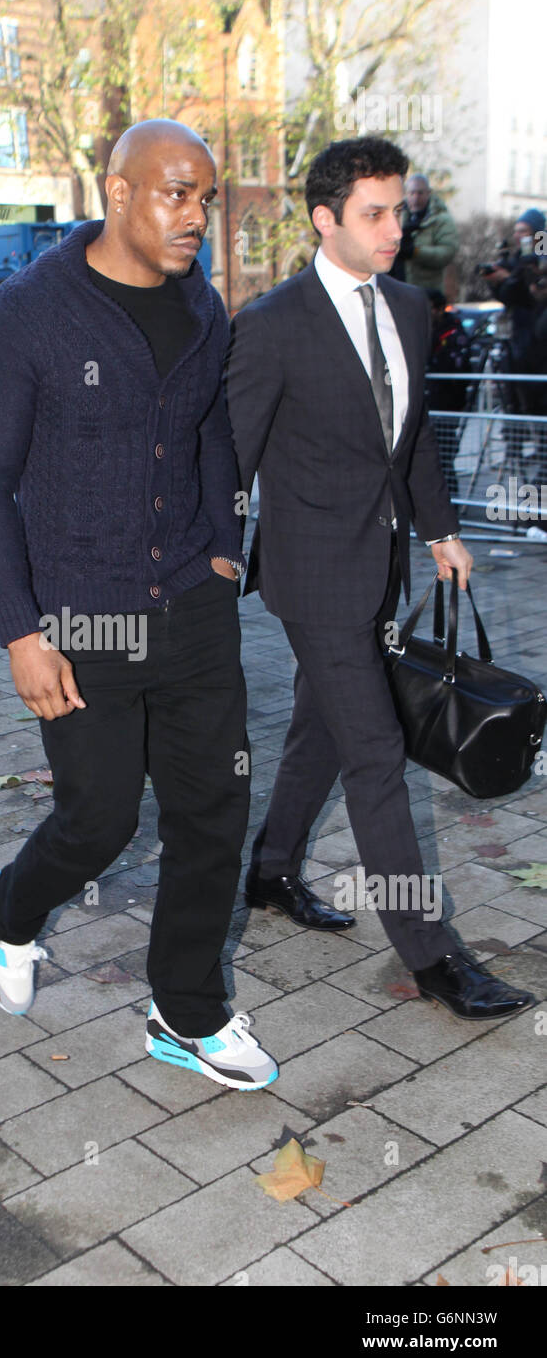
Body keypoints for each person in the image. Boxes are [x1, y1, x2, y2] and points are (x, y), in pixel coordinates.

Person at [0, 119, 278, 1090]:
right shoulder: (27, 315)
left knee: (212, 810)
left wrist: (227, 547)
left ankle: (187, 1011)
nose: (194, 216)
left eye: (205, 199)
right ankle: (7, 911)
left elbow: (208, 428)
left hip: (191, 601)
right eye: (176, 193)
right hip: (80, 617)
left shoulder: (202, 307)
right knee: (98, 819)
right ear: (118, 192)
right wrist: (20, 631)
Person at [224, 136, 533, 1022]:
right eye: (374, 213)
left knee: (324, 728)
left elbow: (413, 434)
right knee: (375, 753)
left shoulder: (405, 306)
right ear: (325, 220)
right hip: (310, 575)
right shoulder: (273, 324)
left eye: (400, 209)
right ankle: (436, 959)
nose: (395, 226)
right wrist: (206, 559)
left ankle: (273, 868)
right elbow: (232, 457)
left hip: (385, 562)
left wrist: (441, 530)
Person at [482, 208, 547, 483]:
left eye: (525, 231)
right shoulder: (518, 262)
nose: (519, 236)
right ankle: (526, 483)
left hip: (538, 349)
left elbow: (532, 295)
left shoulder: (539, 264)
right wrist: (498, 282)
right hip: (519, 346)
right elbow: (512, 297)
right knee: (519, 414)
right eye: (517, 230)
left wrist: (512, 280)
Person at [425, 288, 473, 500]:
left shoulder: (453, 334)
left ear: (436, 309)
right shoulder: (425, 330)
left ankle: (449, 504)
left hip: (445, 407)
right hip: (425, 404)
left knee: (443, 457)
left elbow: (456, 372)